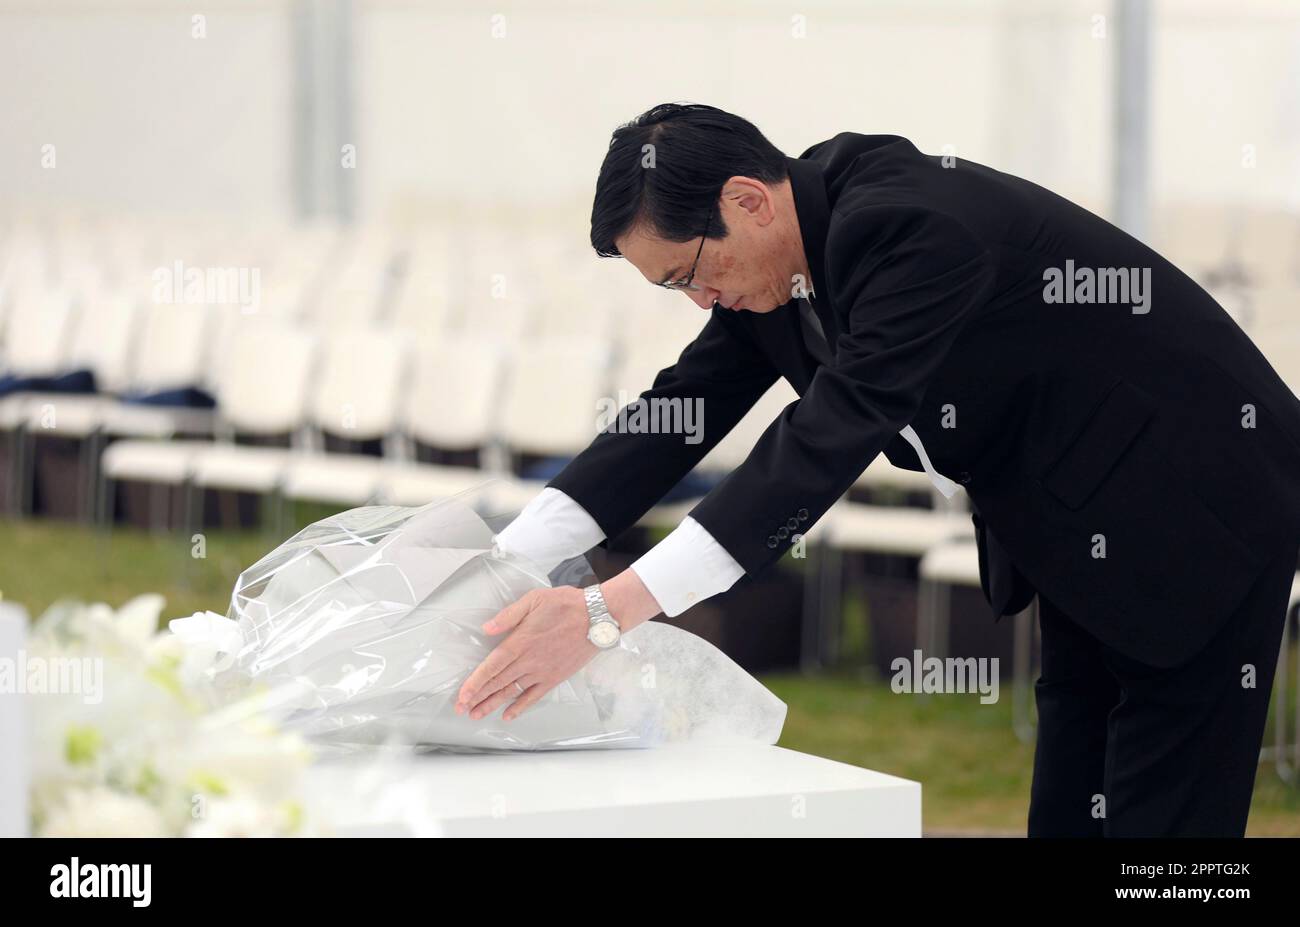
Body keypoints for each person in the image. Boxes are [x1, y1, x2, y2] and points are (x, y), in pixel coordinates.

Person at [455, 102, 1300, 837]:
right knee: (1072, 801)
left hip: (1199, 513)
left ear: (745, 201)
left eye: (690, 275)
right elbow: (677, 415)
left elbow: (829, 435)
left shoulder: (911, 226)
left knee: (1167, 830)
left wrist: (607, 610)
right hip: (1078, 530)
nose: (698, 302)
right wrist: (500, 565)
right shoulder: (781, 259)